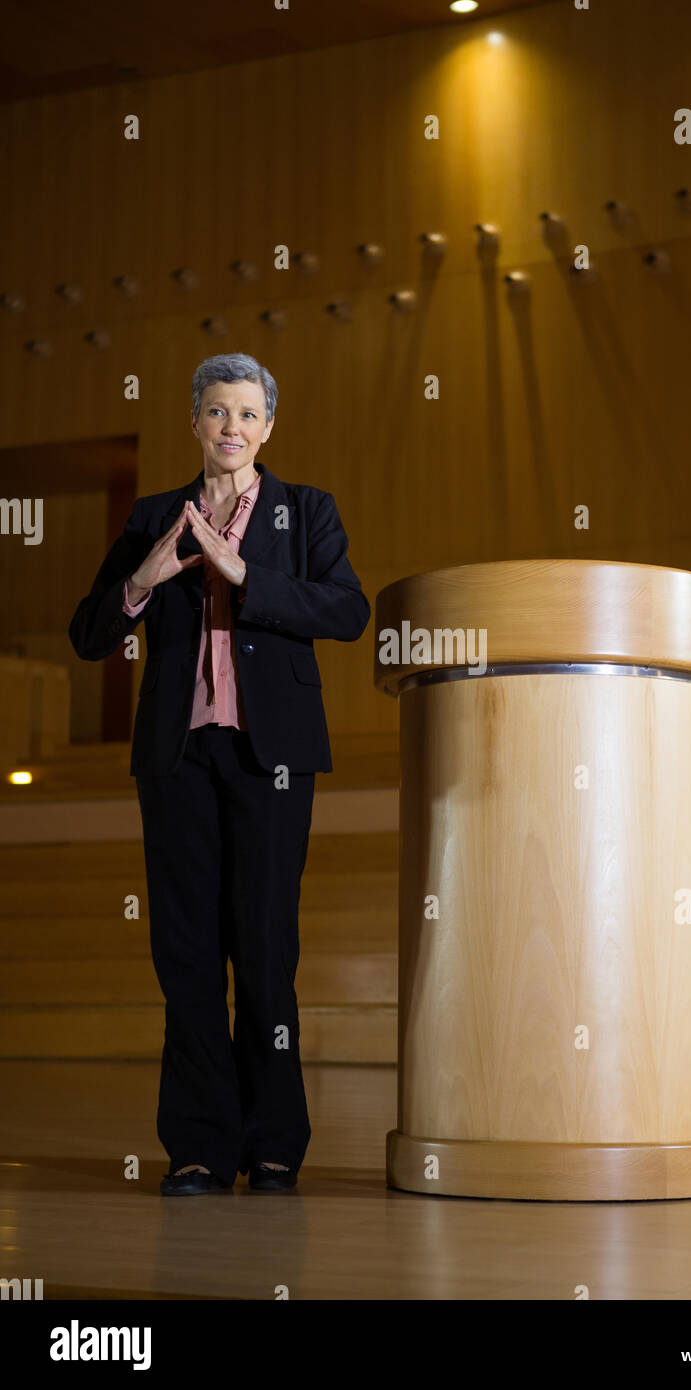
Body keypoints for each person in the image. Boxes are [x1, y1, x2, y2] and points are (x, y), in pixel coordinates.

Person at [68, 352, 370, 1196]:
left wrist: (243, 574)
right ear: (194, 424)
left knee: (265, 951)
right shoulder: (155, 516)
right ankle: (200, 1146)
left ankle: (274, 1146)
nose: (230, 428)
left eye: (246, 414)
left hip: (270, 761)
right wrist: (144, 579)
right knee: (188, 954)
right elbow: (88, 633)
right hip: (177, 760)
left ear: (268, 427)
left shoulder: (308, 512)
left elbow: (348, 609)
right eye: (215, 412)